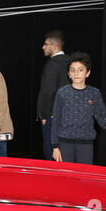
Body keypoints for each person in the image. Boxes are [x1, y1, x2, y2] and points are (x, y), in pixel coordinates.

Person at [49, 53, 106, 164]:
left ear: (88, 73)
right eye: (72, 70)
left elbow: (103, 120)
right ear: (68, 73)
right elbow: (56, 121)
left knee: (83, 180)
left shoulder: (94, 93)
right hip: (64, 144)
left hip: (86, 145)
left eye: (80, 70)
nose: (76, 73)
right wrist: (55, 146)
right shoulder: (62, 93)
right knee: (65, 178)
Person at [37, 30, 70, 159]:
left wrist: (43, 115)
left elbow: (48, 92)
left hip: (52, 116)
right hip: (70, 116)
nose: (43, 47)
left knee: (51, 151)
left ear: (54, 46)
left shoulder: (51, 65)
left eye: (46, 44)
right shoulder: (71, 62)